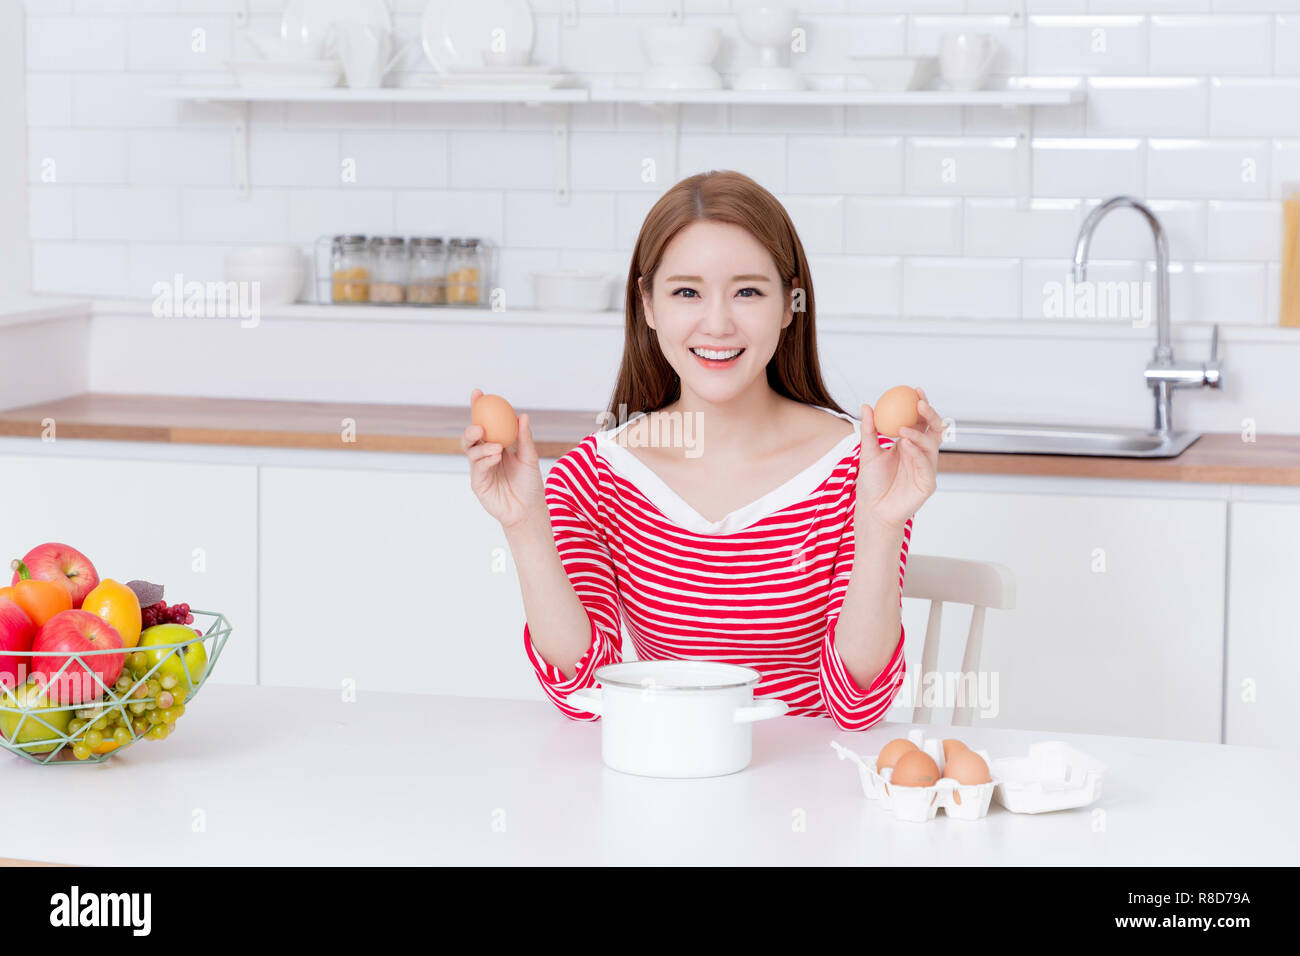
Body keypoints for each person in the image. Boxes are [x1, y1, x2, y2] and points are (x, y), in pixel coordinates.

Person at [463, 170, 942, 730]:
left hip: (814, 794)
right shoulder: (593, 477)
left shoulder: (863, 468)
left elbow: (858, 705)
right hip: (668, 779)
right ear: (647, 304)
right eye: (687, 291)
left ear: (790, 305)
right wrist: (523, 526)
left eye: (748, 291)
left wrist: (881, 524)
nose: (717, 323)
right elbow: (584, 692)